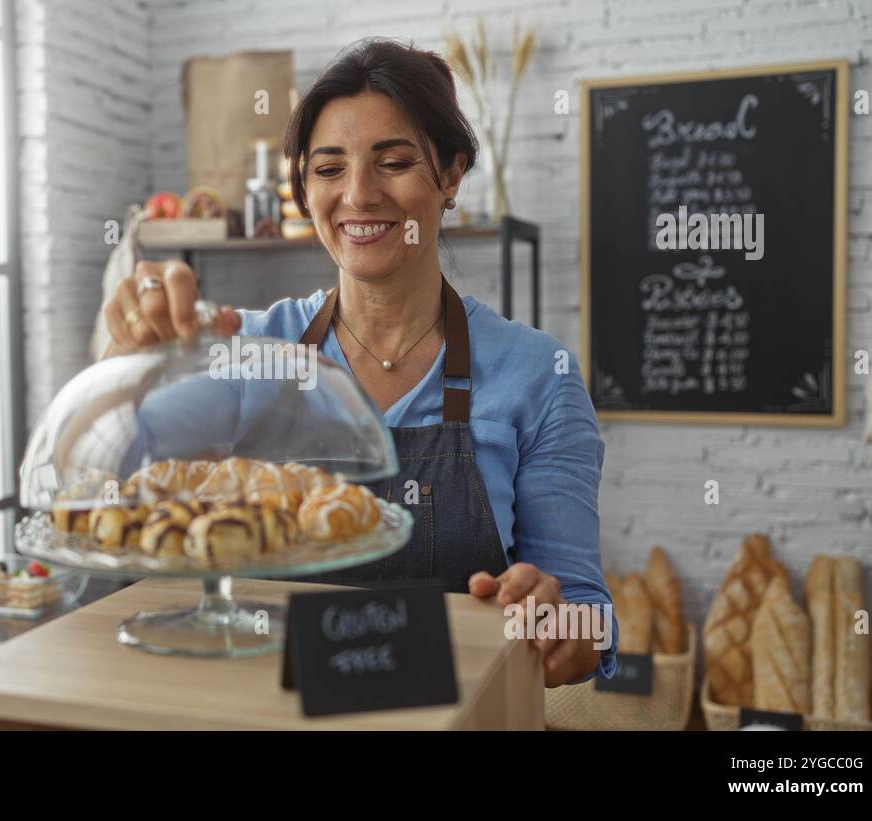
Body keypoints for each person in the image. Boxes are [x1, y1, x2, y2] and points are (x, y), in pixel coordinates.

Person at [102, 38, 614, 686]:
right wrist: (128, 355)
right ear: (304, 189)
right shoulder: (252, 351)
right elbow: (118, 482)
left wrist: (558, 623)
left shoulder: (539, 376)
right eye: (329, 169)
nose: (359, 194)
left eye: (394, 162)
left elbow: (588, 621)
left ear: (451, 175)